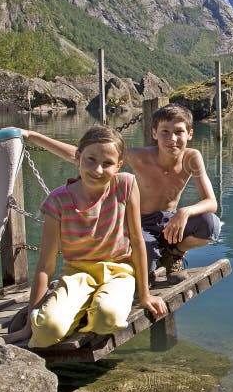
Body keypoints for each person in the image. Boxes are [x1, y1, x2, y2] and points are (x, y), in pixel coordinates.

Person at [18, 103, 220, 283]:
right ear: (154, 133)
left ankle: (174, 253)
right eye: (165, 132)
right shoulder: (139, 157)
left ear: (190, 134)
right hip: (141, 224)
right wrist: (33, 136)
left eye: (179, 132)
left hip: (170, 220)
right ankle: (145, 260)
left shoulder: (192, 157)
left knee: (210, 225)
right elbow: (78, 155)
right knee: (145, 265)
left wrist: (183, 212)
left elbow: (211, 202)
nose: (172, 139)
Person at [3, 126, 166, 347]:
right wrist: (30, 324)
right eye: (90, 159)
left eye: (107, 163)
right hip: (77, 273)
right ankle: (66, 310)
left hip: (119, 271)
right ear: (78, 157)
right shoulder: (57, 201)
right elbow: (45, 265)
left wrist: (145, 295)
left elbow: (137, 242)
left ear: (118, 166)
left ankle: (83, 310)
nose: (97, 169)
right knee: (45, 333)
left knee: (107, 318)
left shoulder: (125, 184)